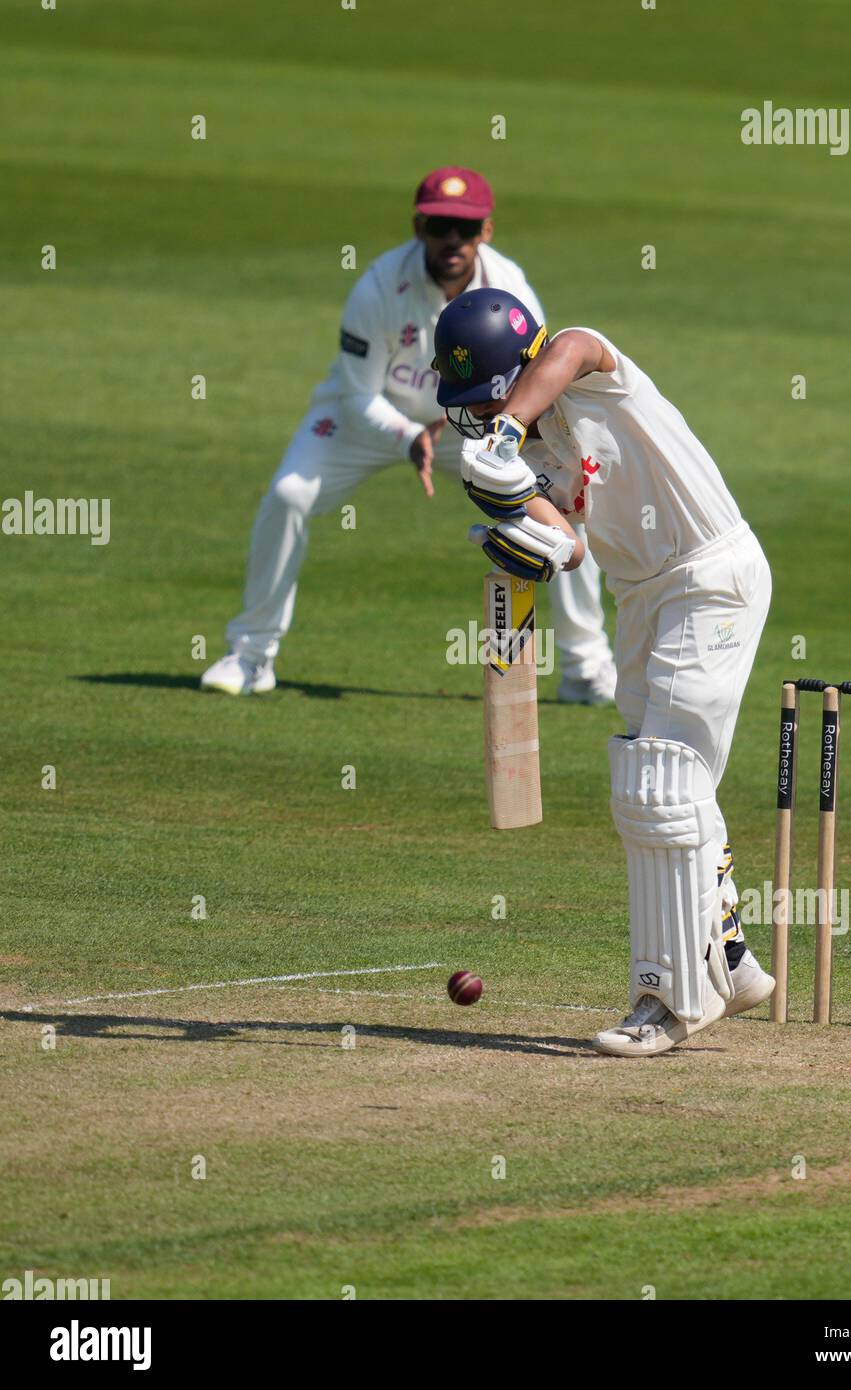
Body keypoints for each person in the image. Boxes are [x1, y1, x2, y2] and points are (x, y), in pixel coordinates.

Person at [433, 287, 775, 1056]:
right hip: (643, 598)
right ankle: (733, 959)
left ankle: (670, 1003)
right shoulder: (525, 452)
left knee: (665, 780)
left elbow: (576, 345)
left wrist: (508, 428)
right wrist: (519, 527)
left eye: (490, 403)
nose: (484, 421)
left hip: (709, 577)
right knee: (662, 778)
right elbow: (574, 545)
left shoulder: (585, 369)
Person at [201, 167, 615, 703]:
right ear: (419, 225)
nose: (451, 240)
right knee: (288, 495)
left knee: (563, 510)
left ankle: (586, 667)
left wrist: (489, 430)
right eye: (440, 225)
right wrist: (407, 435)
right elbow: (357, 392)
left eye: (464, 229)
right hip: (372, 421)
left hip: (476, 425)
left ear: (485, 232)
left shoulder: (510, 288)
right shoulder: (378, 285)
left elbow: (533, 383)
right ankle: (251, 655)